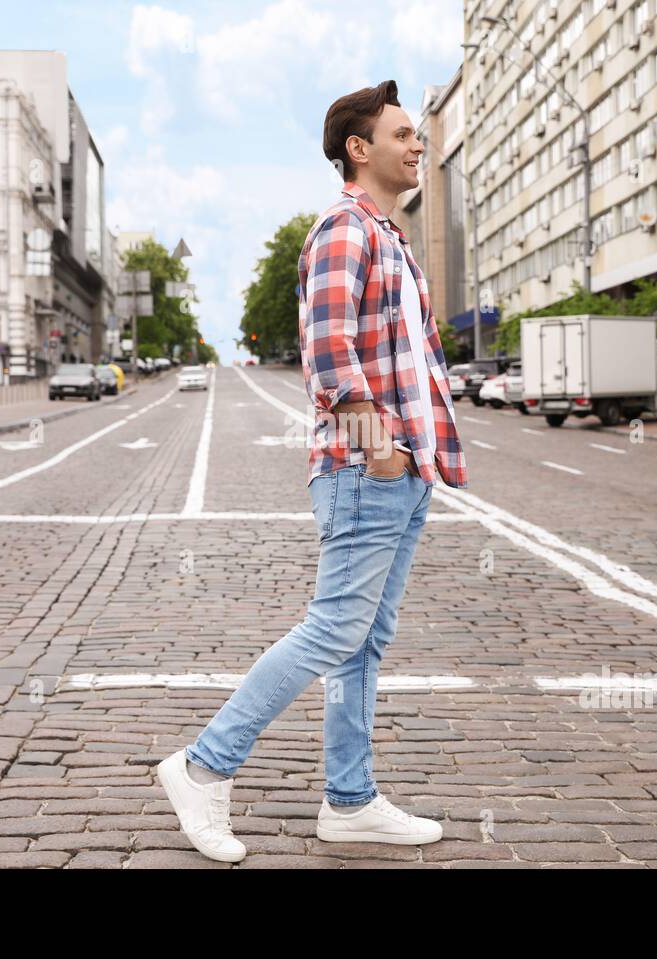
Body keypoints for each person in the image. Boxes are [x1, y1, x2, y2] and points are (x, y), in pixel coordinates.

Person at [157, 79, 468, 863]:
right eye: (403, 134)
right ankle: (202, 766)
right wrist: (381, 447)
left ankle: (351, 799)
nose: (417, 143)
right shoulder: (343, 228)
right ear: (359, 150)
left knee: (362, 643)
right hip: (369, 468)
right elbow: (329, 353)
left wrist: (414, 459)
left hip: (404, 470)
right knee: (333, 629)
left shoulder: (391, 237)